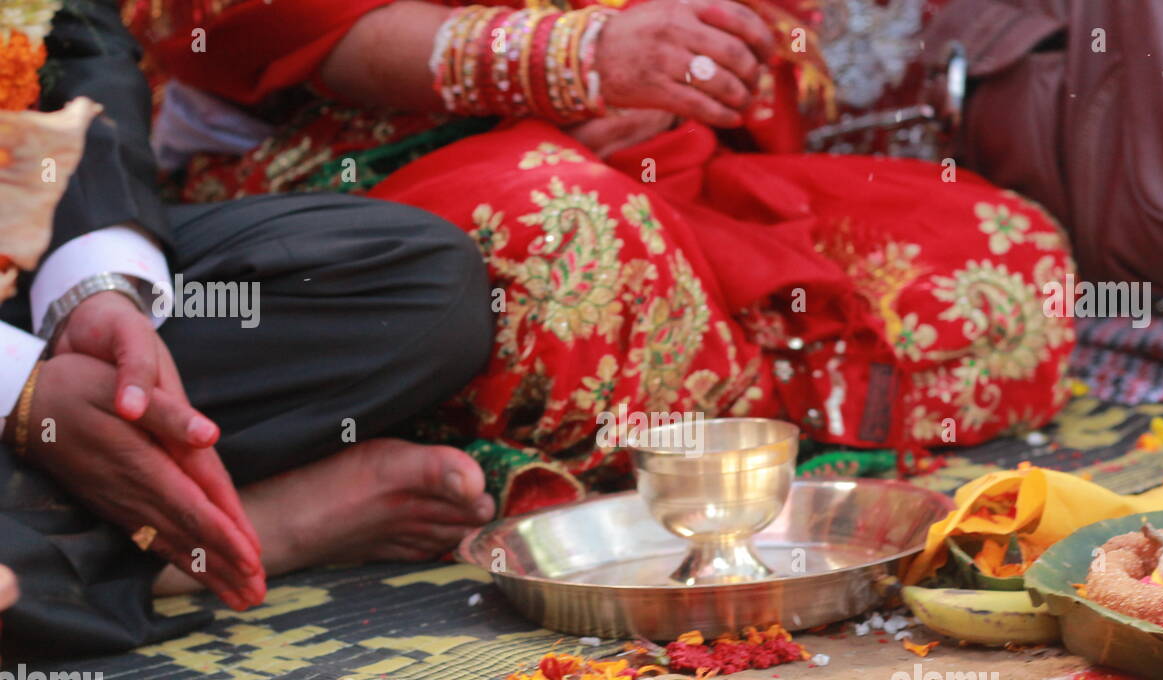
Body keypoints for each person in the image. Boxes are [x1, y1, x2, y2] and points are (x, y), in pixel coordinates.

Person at [127, 0, 1077, 512]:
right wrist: (571, 57)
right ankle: (356, 479)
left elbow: (768, 24)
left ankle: (635, 422)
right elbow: (270, 25)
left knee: (1009, 269)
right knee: (574, 245)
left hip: (659, 166)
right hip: (373, 180)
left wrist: (692, 63)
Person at [0, 0, 496, 661]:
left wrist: (98, 296)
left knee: (419, 285)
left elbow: (77, 46)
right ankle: (225, 537)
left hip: (21, 262)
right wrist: (22, 392)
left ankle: (134, 511)